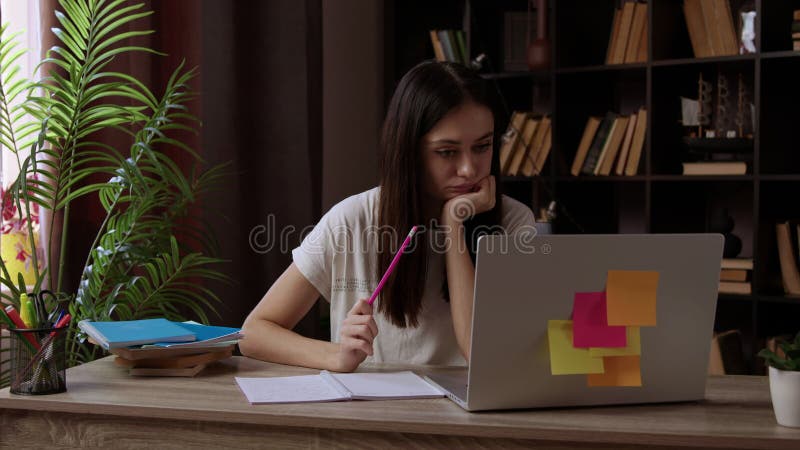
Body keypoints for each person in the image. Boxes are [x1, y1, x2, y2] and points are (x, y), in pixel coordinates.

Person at [240, 61, 535, 372]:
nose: (469, 169)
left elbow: (483, 354)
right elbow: (255, 332)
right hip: (372, 414)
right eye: (447, 152)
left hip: (468, 417)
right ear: (409, 150)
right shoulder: (351, 220)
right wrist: (335, 355)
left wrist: (453, 224)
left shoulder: (512, 222)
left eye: (482, 147)